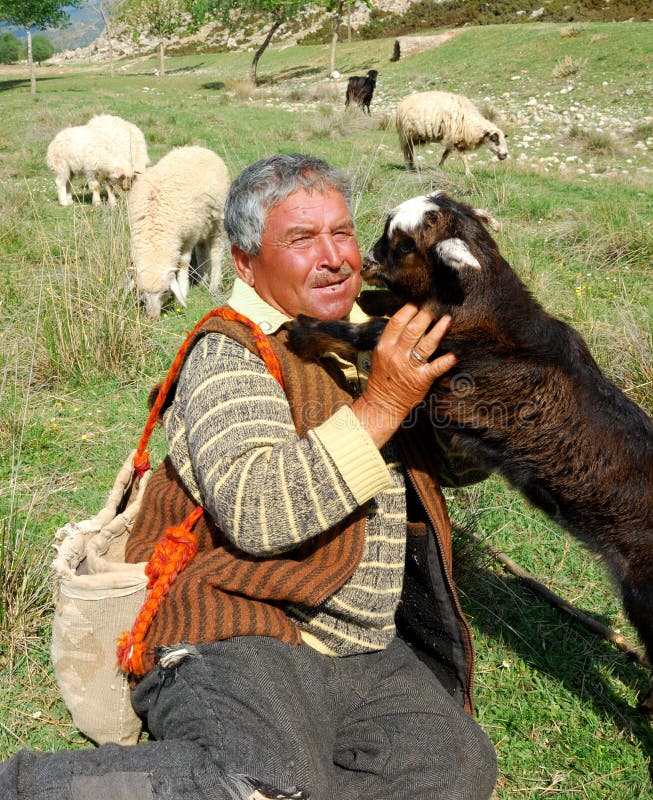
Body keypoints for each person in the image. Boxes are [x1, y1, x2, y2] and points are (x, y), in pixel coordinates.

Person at [0, 153, 497, 800]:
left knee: (459, 767)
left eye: (342, 233)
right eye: (301, 239)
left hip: (359, 643)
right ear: (244, 263)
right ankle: (27, 786)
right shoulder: (231, 353)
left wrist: (477, 396)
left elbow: (451, 469)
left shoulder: (373, 335)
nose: (334, 257)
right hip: (236, 627)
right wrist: (383, 403)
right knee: (262, 780)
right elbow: (257, 509)